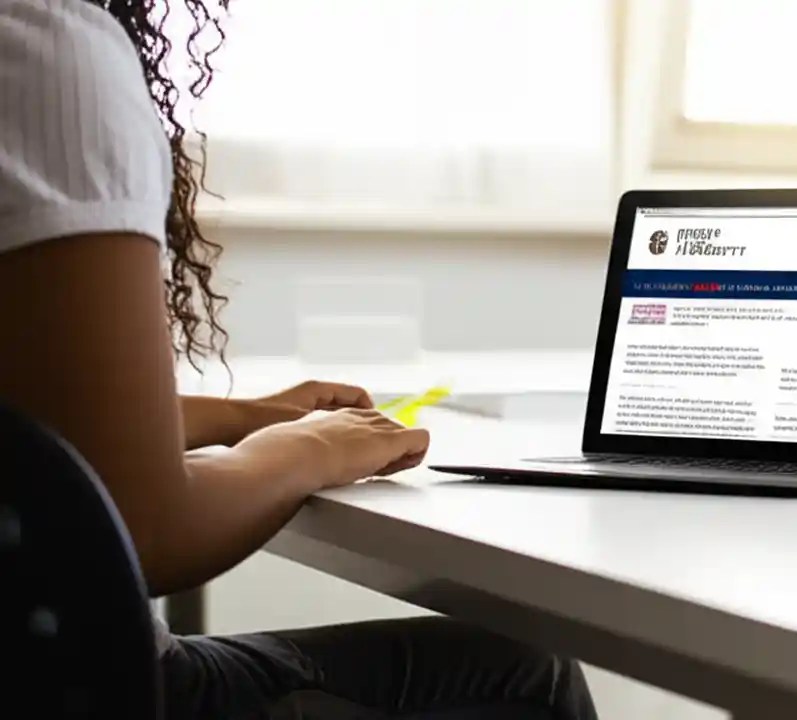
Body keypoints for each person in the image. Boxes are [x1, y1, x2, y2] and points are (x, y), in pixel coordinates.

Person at [0, 1, 598, 718]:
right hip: (68, 686)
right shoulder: (43, 50)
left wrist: (240, 417)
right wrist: (307, 448)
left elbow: (34, 422)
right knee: (529, 678)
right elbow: (145, 527)